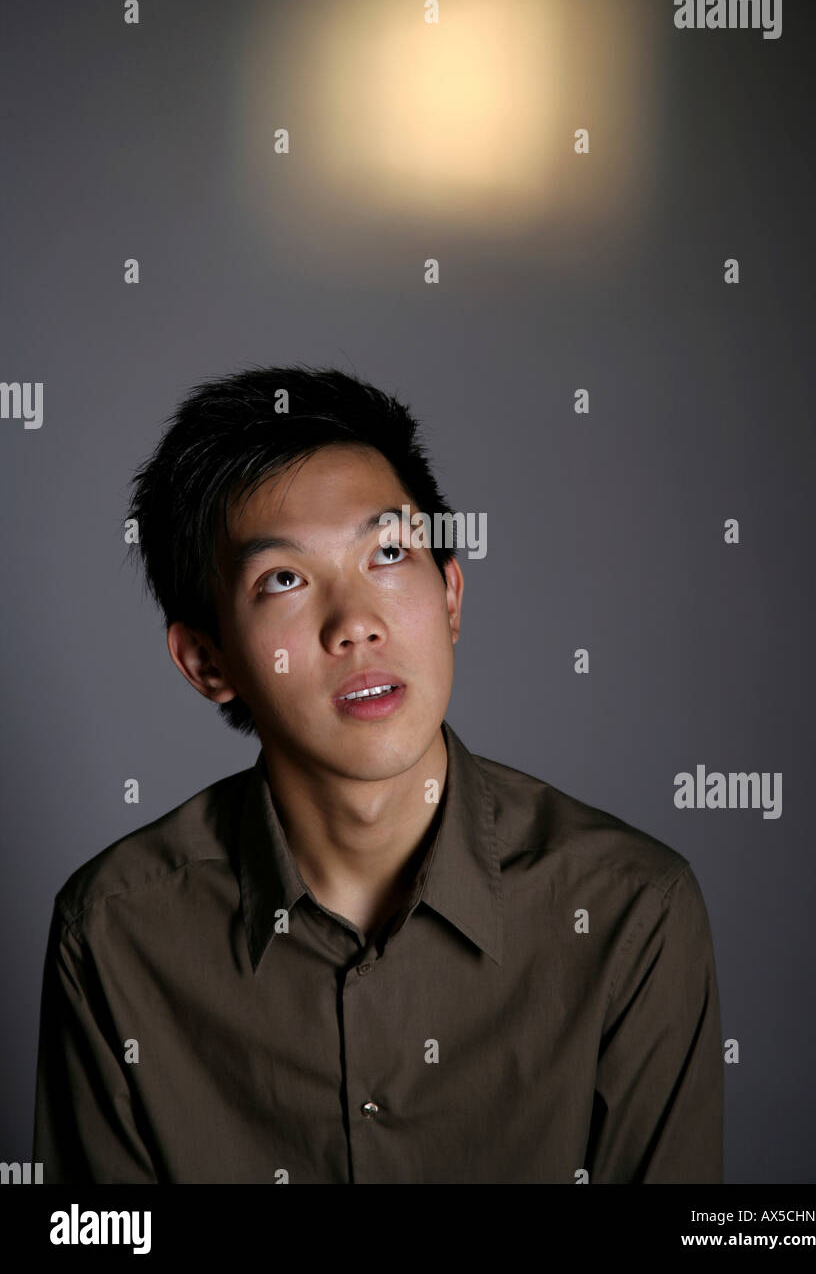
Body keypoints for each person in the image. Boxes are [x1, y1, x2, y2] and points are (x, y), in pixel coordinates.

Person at [32, 365, 723, 1184]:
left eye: (388, 552)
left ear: (452, 594)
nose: (355, 623)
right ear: (206, 660)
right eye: (282, 579)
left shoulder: (630, 911)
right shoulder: (114, 933)